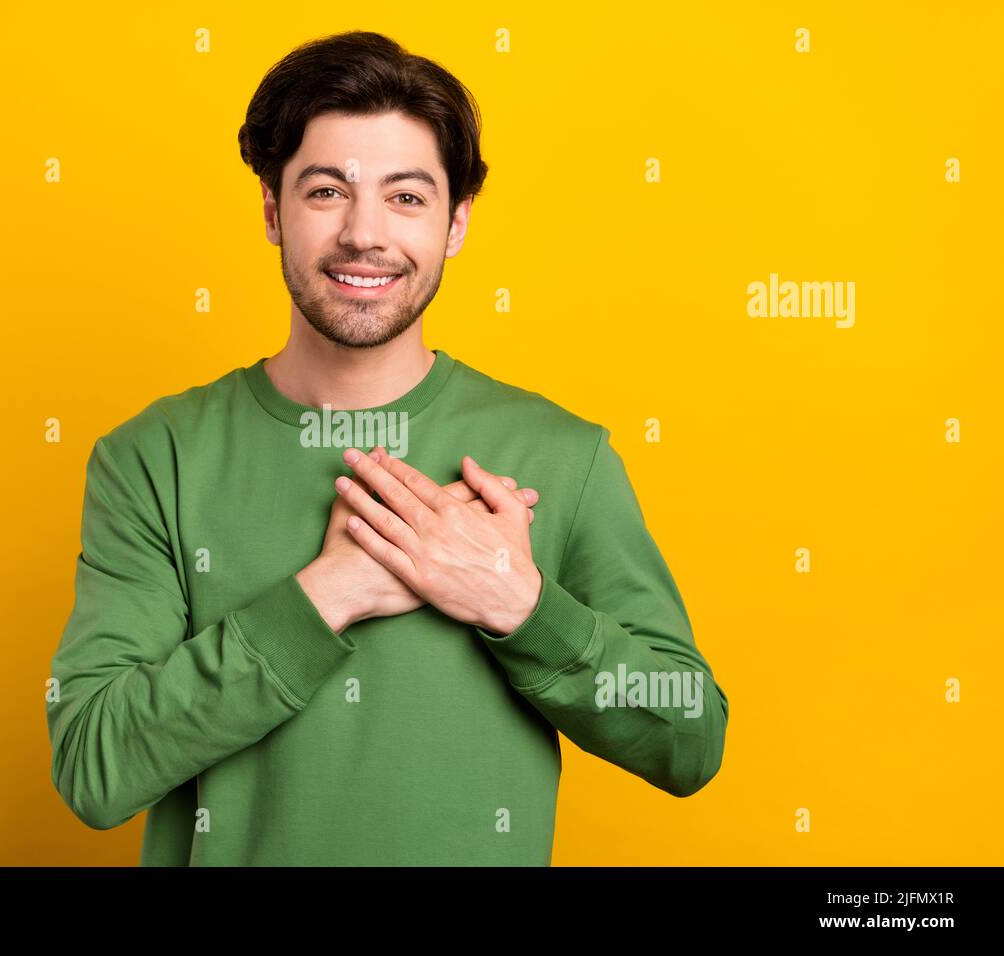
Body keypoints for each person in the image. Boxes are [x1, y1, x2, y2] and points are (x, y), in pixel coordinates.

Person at [46, 30, 728, 866]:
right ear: (271, 209)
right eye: (327, 190)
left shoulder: (563, 456)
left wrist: (522, 606)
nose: (364, 234)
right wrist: (320, 599)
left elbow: (690, 741)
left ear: (457, 223)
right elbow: (94, 768)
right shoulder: (154, 458)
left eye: (407, 197)